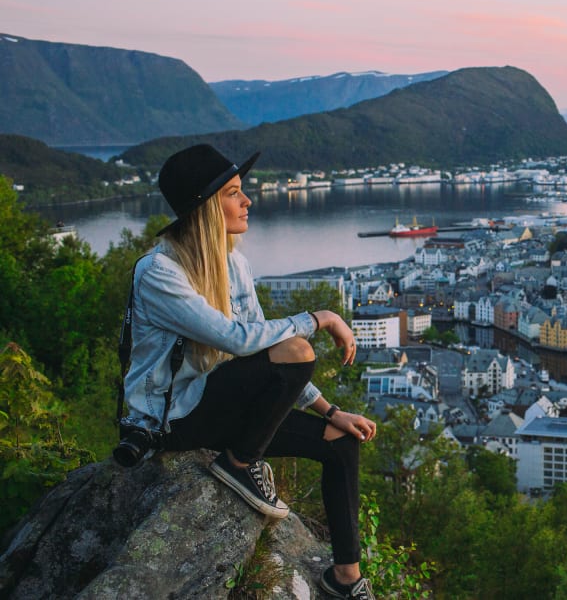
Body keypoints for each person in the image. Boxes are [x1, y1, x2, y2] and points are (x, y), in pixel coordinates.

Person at [122, 144, 377, 599]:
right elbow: (239, 339)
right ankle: (239, 464)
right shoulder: (159, 272)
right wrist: (319, 318)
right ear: (205, 208)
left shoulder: (234, 263)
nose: (248, 201)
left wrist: (330, 410)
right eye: (234, 193)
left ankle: (345, 578)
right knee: (298, 347)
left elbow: (267, 351)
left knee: (341, 442)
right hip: (174, 419)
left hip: (225, 408)